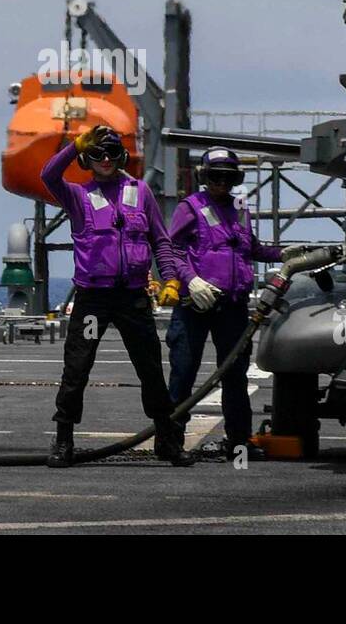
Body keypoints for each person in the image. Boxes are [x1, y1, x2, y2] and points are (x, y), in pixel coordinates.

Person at [42, 124, 194, 468]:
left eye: (111, 152)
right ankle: (64, 440)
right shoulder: (78, 196)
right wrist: (73, 145)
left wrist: (170, 279)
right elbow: (48, 175)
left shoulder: (140, 192)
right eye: (97, 153)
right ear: (87, 159)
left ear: (122, 156)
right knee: (77, 369)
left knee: (151, 369)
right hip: (93, 299)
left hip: (132, 298)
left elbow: (161, 241)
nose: (106, 159)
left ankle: (167, 441)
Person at [164, 147, 283, 460]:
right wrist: (191, 280)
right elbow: (171, 250)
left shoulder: (240, 208)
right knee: (183, 372)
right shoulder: (190, 207)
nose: (221, 183)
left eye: (227, 177)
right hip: (195, 306)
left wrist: (287, 254)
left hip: (232, 306)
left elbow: (251, 248)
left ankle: (239, 442)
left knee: (234, 375)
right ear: (205, 177)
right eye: (215, 176)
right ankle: (171, 442)